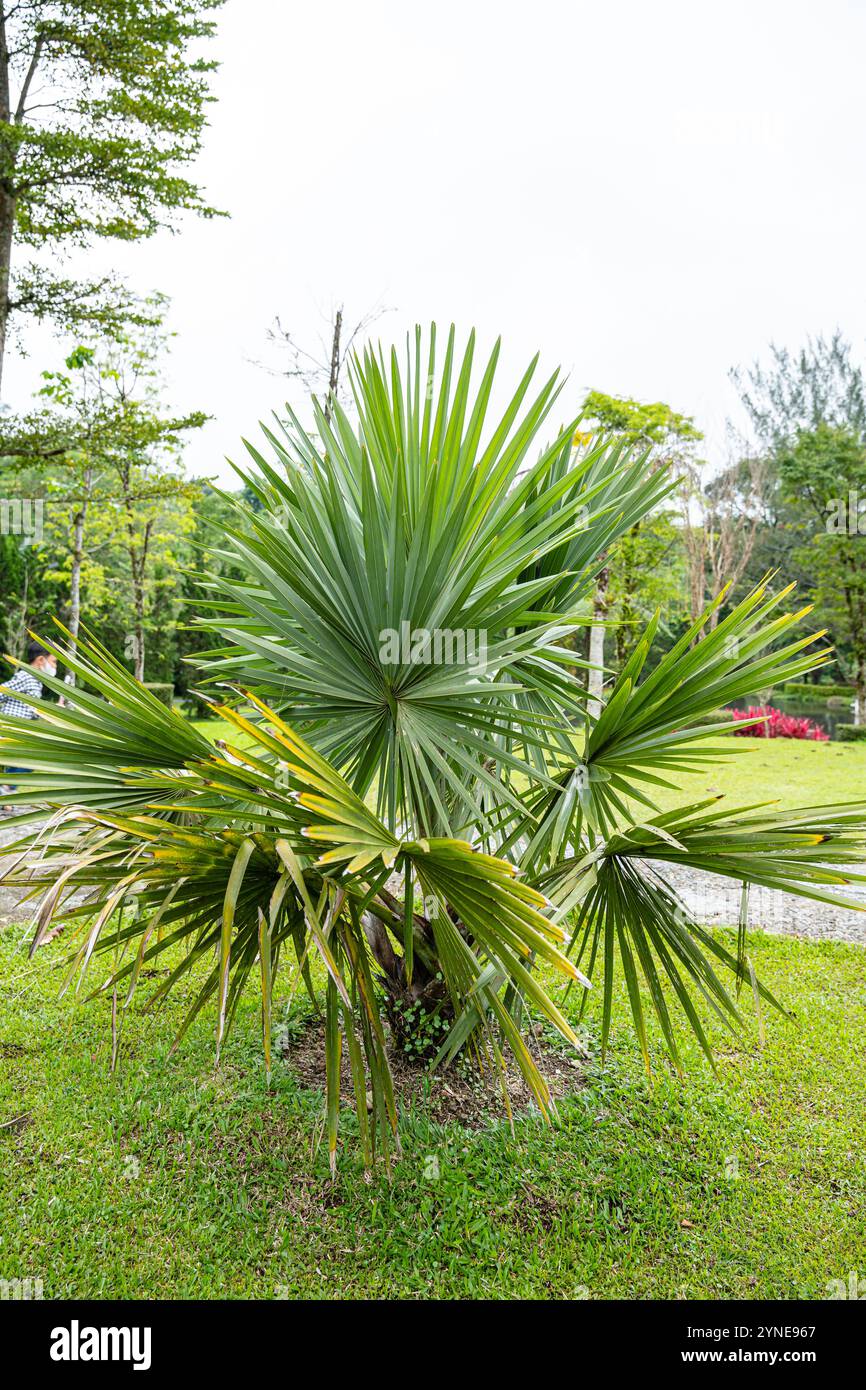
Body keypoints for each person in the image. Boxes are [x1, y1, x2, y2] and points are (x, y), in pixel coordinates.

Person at [0, 640, 57, 810]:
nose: (55, 667)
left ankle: (6, 789)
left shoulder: (36, 681)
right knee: (33, 757)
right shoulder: (25, 676)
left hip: (20, 731)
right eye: (54, 662)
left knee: (33, 759)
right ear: (41, 660)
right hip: (9, 729)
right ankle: (6, 788)